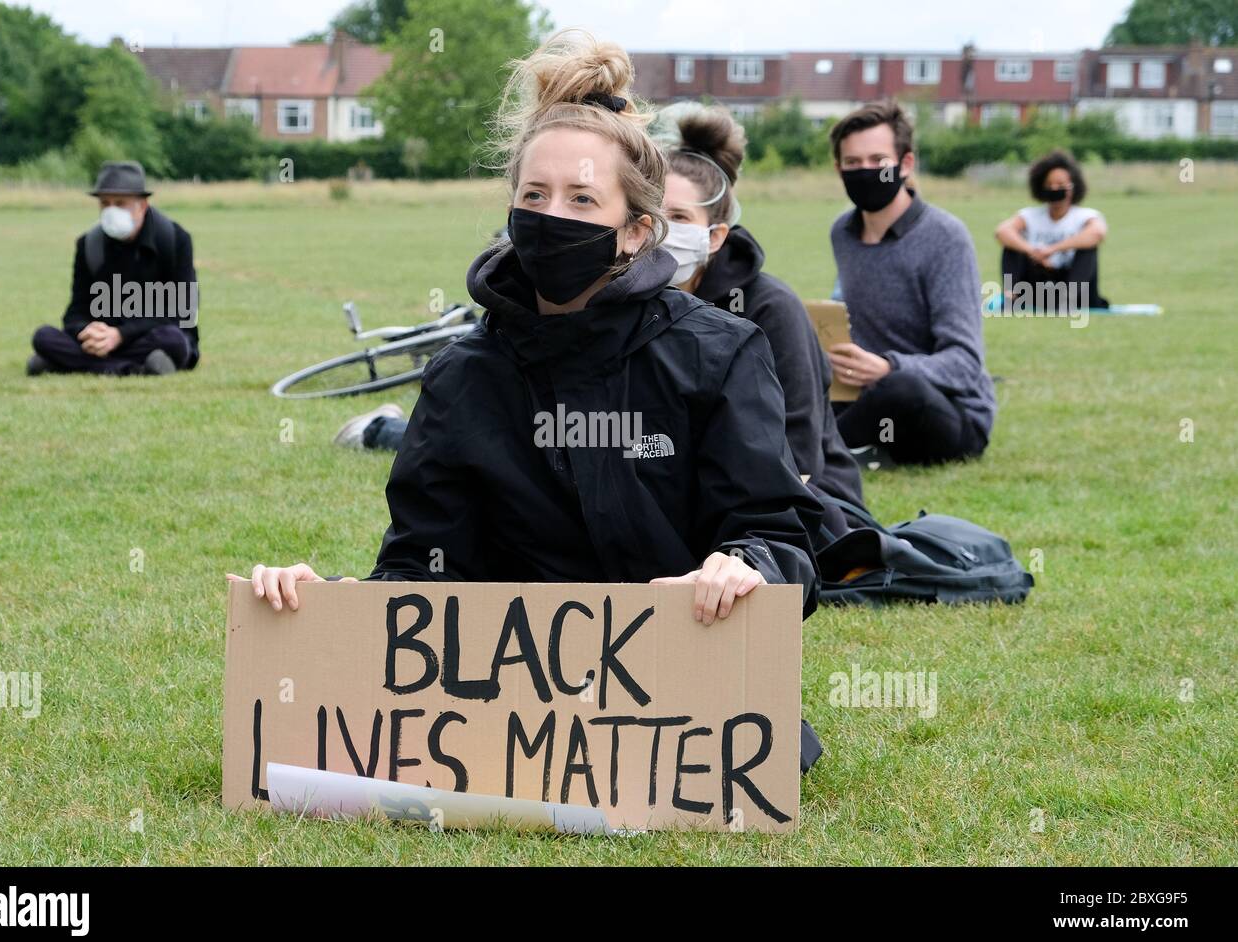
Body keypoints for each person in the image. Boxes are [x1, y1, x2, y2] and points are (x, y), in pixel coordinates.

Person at [233, 31, 822, 629]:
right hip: (517, 701)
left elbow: (780, 541)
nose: (551, 216)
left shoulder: (720, 354)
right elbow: (421, 573)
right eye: (534, 195)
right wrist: (324, 598)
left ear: (636, 232)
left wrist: (749, 564)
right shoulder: (462, 377)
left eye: (583, 199)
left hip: (682, 700)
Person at [654, 102, 865, 542]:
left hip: (799, 494)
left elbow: (799, 453)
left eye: (679, 218)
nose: (661, 232)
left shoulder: (773, 308)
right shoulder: (637, 302)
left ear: (715, 236)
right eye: (653, 217)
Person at [827, 101, 995, 467]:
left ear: (905, 165)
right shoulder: (842, 232)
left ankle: (822, 450)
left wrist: (889, 367)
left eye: (878, 160)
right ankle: (845, 446)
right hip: (866, 394)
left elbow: (965, 364)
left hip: (947, 410)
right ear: (838, 169)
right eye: (853, 163)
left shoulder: (945, 236)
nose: (865, 171)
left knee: (901, 388)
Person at [28, 161, 199, 376]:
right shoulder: (88, 245)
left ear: (142, 205)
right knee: (43, 336)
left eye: (120, 203)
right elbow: (75, 313)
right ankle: (132, 368)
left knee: (174, 340)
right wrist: (86, 330)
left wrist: (121, 335)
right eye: (105, 204)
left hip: (149, 335)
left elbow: (182, 312)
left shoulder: (175, 240)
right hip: (104, 340)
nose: (111, 211)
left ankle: (64, 363)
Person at [995, 149, 1109, 310]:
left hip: (1072, 281)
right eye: (1050, 185)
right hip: (1039, 283)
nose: (1055, 189)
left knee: (1088, 249)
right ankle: (1011, 298)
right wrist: (1033, 251)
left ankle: (1069, 300)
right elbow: (1002, 232)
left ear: (1073, 187)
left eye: (1061, 185)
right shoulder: (1030, 216)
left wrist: (1052, 249)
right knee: (1012, 246)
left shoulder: (1085, 216)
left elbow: (1097, 234)